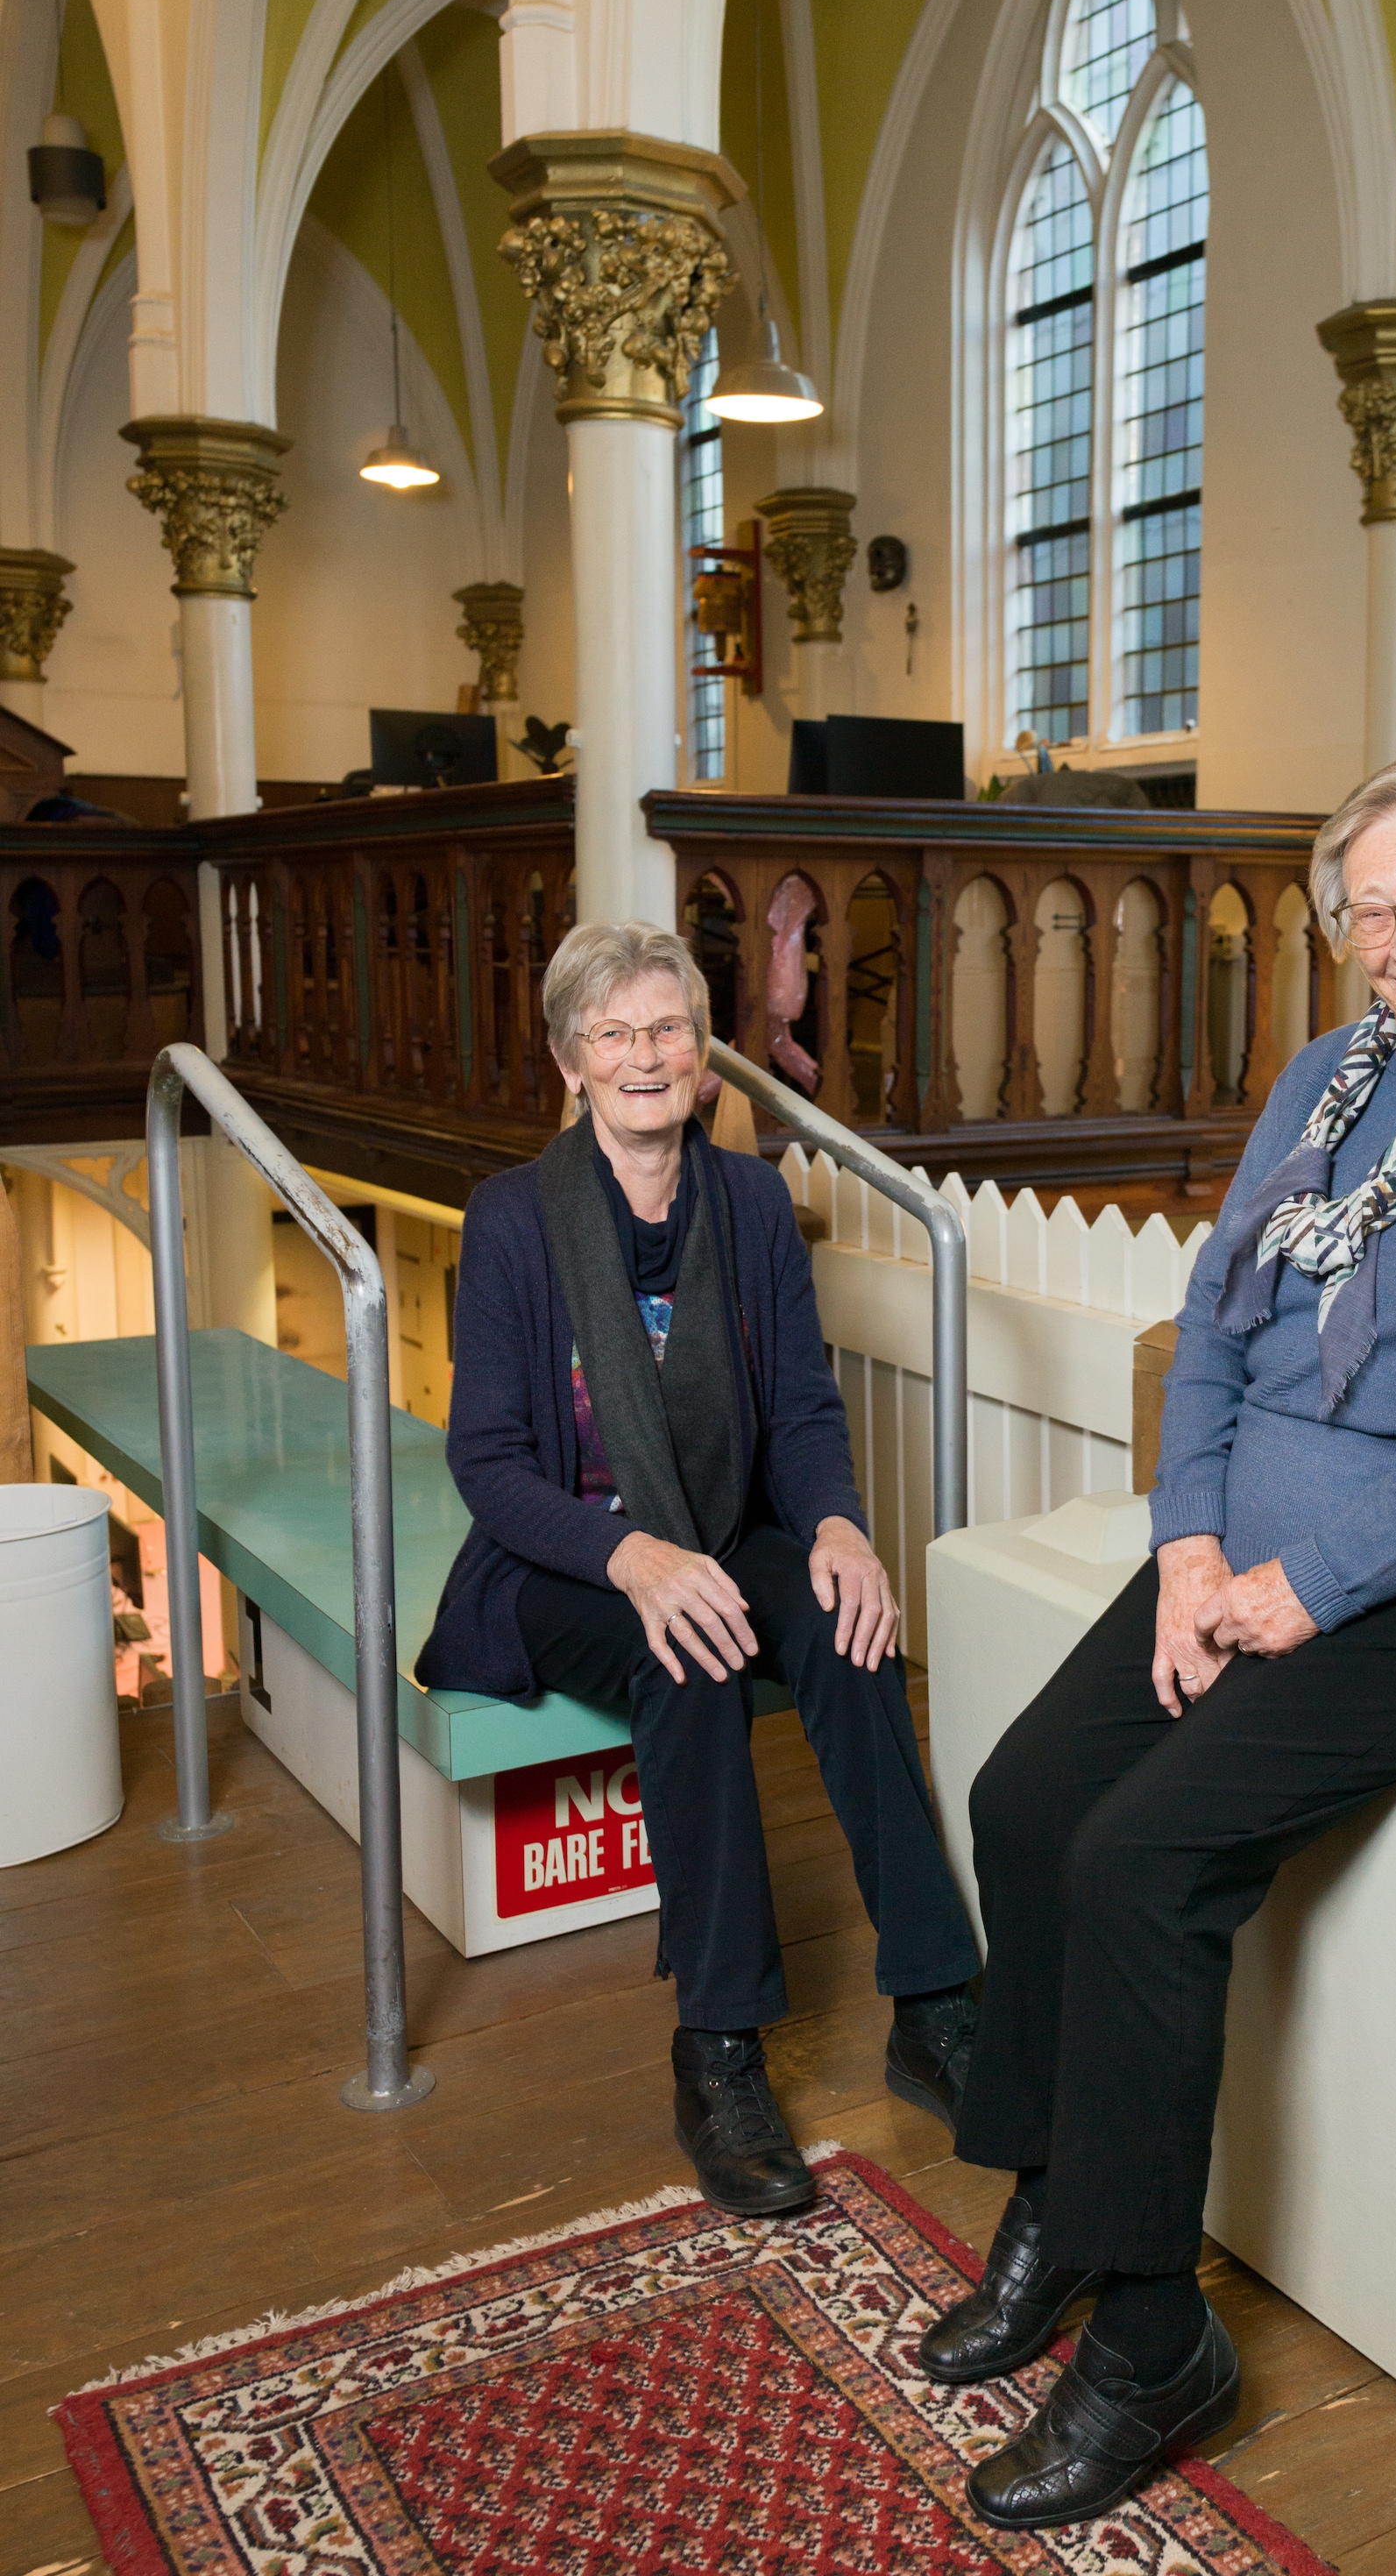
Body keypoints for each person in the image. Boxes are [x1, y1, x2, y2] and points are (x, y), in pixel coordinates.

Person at [925, 756, 1396, 2530]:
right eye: (1374, 907)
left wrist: (1308, 1584)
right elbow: (1221, 1319)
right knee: (1028, 1795)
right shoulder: (1322, 1083)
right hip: (1251, 1547)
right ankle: (1054, 2199)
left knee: (1141, 1854)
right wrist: (1186, 1541)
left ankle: (1156, 2338)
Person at [417, 919, 981, 2215]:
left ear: (706, 1056)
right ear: (569, 1062)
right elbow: (491, 1464)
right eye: (611, 1034)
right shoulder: (513, 1221)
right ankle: (719, 2047)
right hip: (566, 1556)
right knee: (687, 1655)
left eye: (666, 1028)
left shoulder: (747, 1201)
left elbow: (798, 1407)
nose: (642, 1055)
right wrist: (630, 1558)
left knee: (850, 1624)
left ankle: (938, 2001)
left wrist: (837, 1524)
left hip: (726, 1531)